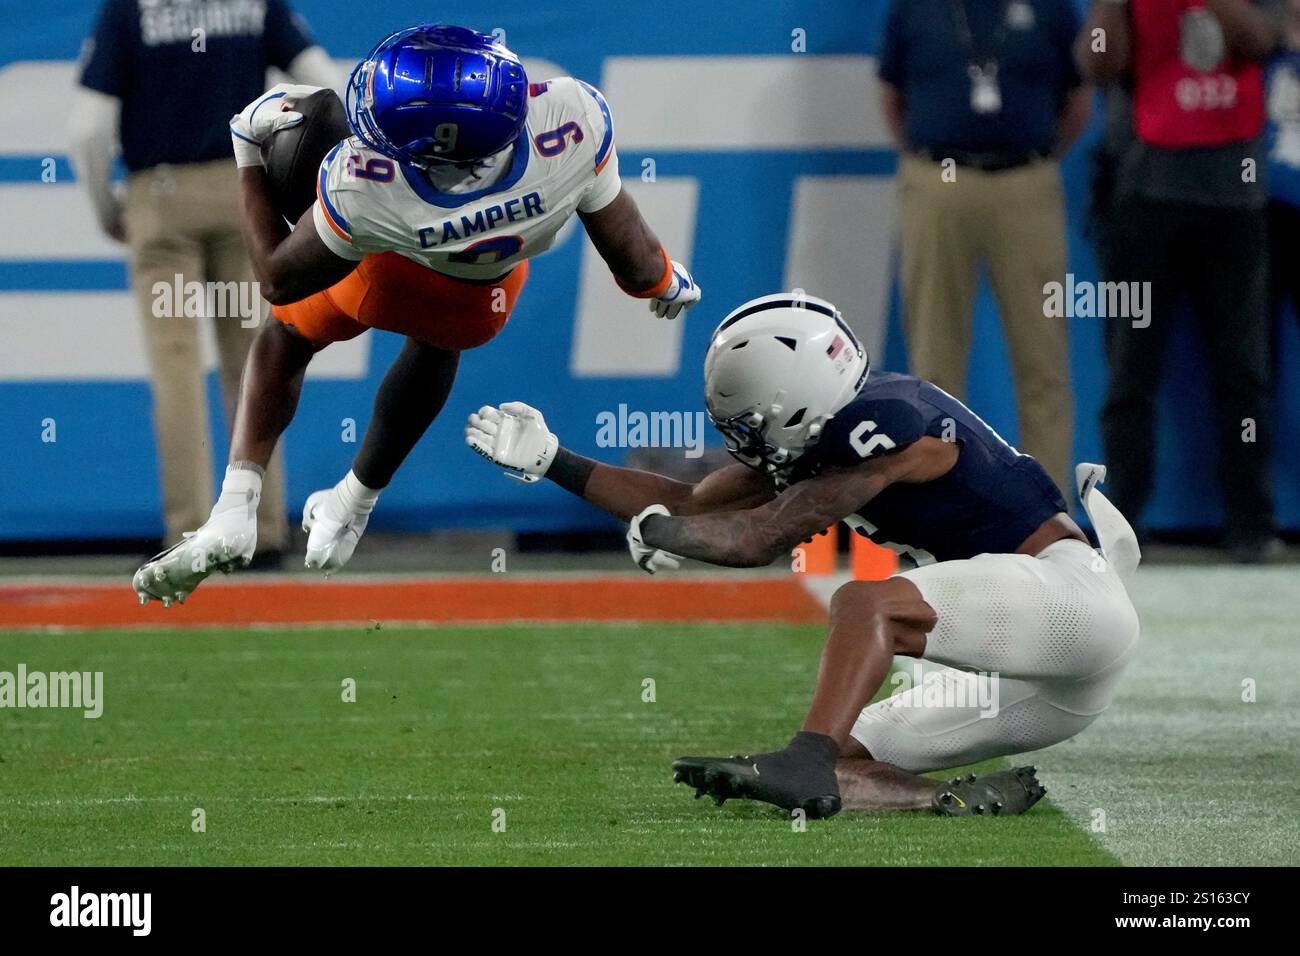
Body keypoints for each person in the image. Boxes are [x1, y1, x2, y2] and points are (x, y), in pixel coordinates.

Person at [466, 293, 1141, 818]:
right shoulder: (827, 432)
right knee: (848, 749)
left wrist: (661, 534)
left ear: (797, 404)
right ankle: (937, 799)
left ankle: (803, 761)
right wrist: (556, 462)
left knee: (864, 603)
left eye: (752, 422)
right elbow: (698, 505)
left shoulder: (892, 424)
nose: (744, 440)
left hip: (1075, 607)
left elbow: (761, 537)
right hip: (1044, 680)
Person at [133, 24, 700, 606]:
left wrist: (248, 154)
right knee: (435, 346)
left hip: (385, 273)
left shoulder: (369, 189)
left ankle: (236, 503)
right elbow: (632, 257)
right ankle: (356, 499)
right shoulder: (572, 119)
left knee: (285, 337)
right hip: (481, 304)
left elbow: (276, 279)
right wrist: (665, 280)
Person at [68, 0, 338, 559]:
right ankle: (260, 532)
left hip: (161, 197)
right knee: (257, 364)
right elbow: (323, 85)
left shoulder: (128, 11)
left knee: (177, 371)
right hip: (243, 193)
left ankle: (190, 533)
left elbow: (87, 128)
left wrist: (108, 210)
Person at [1078, 0, 1284, 562]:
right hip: (1144, 203)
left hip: (1234, 203)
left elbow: (1269, 40)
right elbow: (1096, 65)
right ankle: (1122, 527)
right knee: (1130, 376)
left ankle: (1251, 526)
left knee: (1243, 374)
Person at [878, 0, 1092, 498]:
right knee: (934, 360)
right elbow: (892, 95)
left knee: (1043, 357)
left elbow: (1078, 98)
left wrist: (1036, 160)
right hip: (936, 181)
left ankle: (1045, 512)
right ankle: (940, 506)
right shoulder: (915, 10)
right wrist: (926, 158)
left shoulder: (1053, 9)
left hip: (1025, 183)